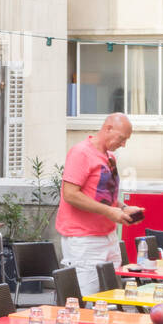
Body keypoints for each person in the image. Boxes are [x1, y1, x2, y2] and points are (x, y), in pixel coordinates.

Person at [56, 112, 143, 293]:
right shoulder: (81, 152)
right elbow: (70, 194)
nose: (124, 144)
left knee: (110, 299)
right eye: (122, 138)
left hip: (108, 237)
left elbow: (103, 195)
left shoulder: (110, 156)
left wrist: (124, 208)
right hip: (84, 239)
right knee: (88, 300)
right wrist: (109, 212)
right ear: (108, 128)